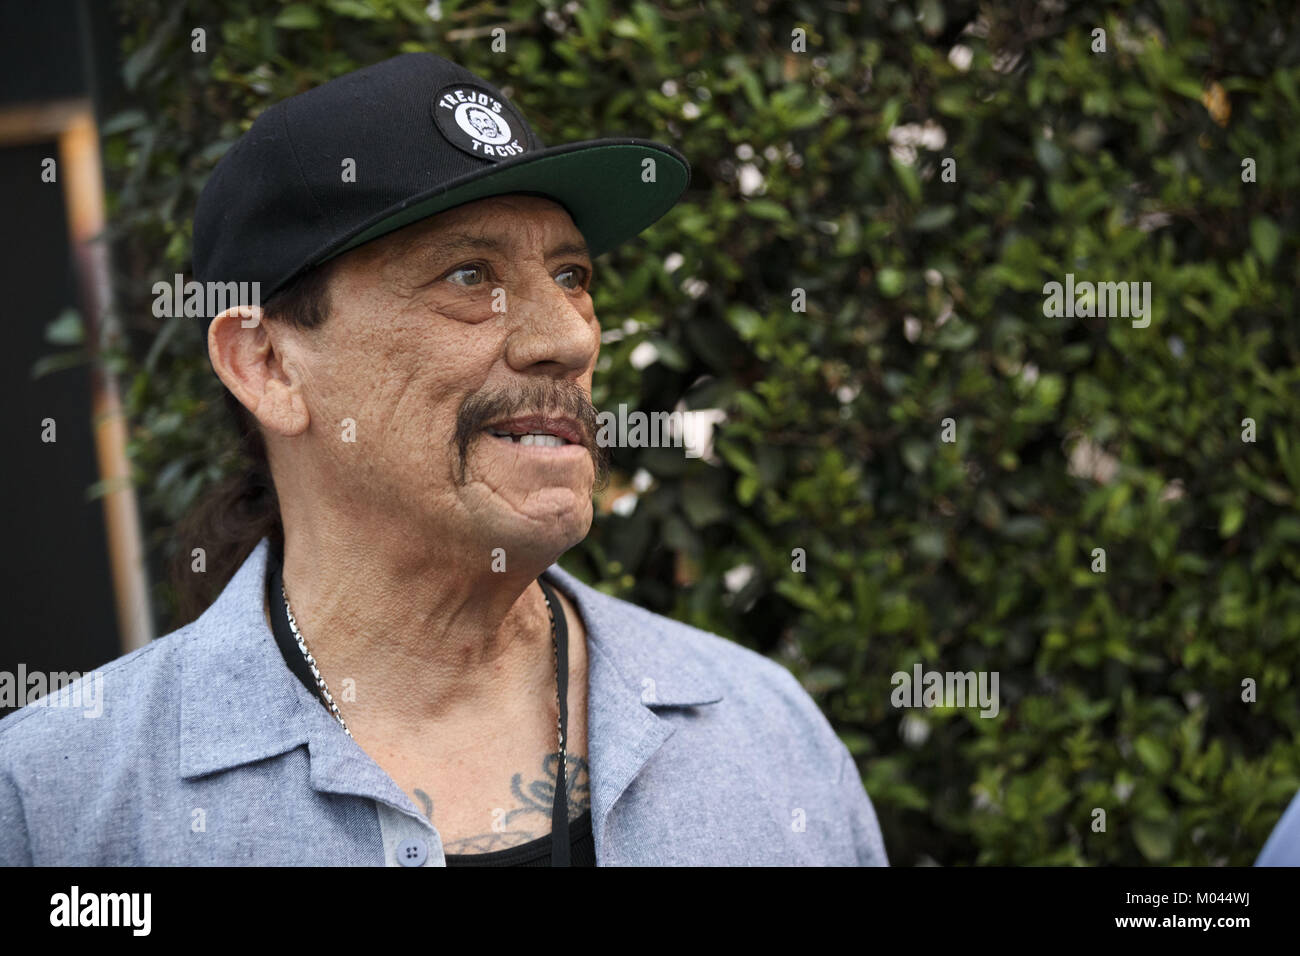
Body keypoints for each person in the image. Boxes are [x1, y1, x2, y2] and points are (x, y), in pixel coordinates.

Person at [0, 52, 887, 867]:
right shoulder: (63, 804)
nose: (568, 337)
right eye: (470, 276)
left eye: (573, 275)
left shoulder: (762, 729)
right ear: (266, 364)